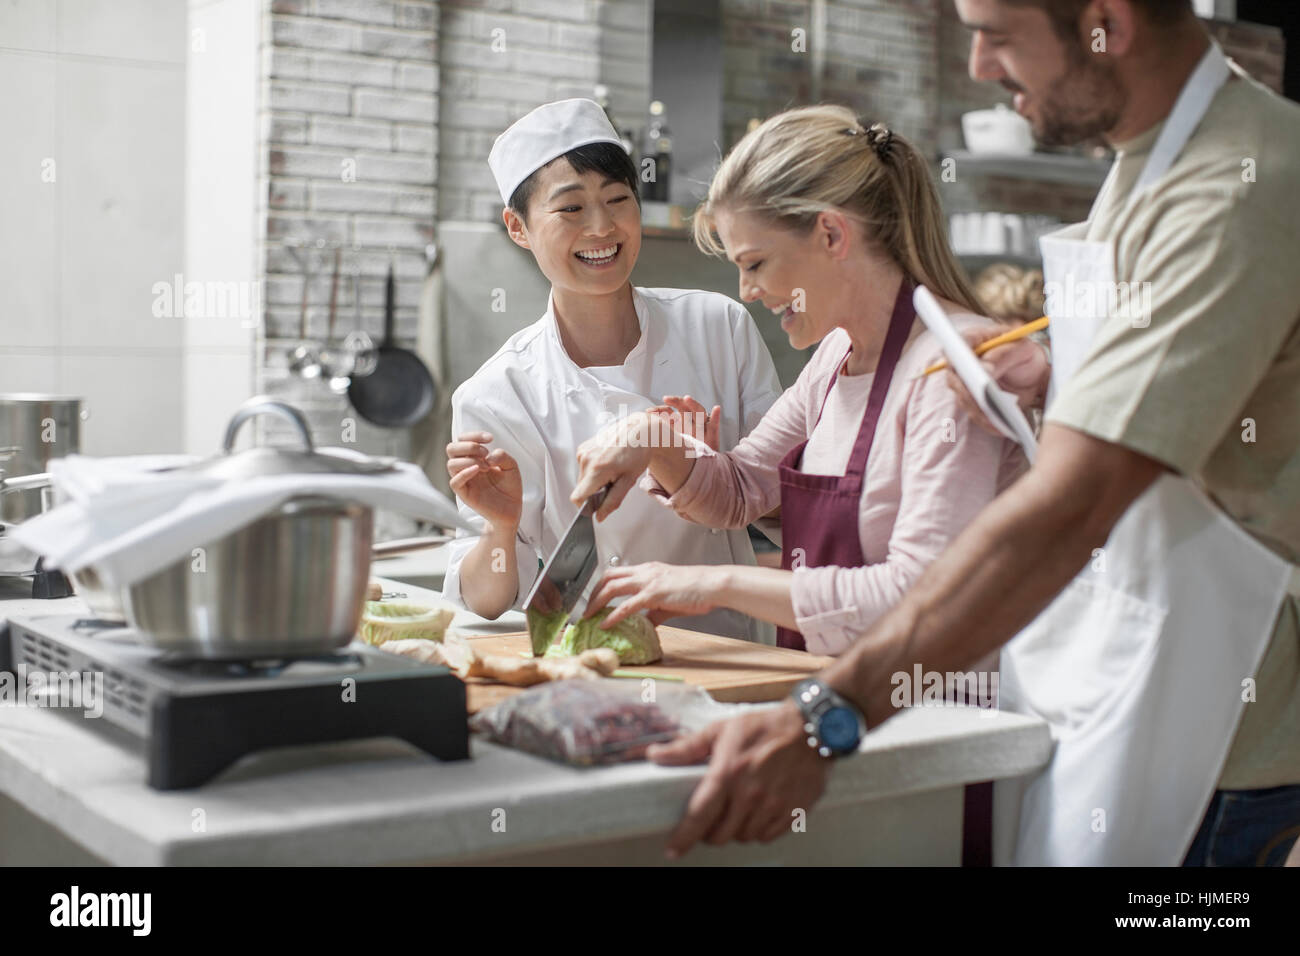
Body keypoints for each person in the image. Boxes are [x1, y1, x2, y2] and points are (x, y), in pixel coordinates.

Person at [631, 0, 1300, 867]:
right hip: (1115, 684)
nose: (979, 64)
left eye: (997, 32)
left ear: (1107, 22)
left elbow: (1073, 505)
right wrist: (1061, 371)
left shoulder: (1233, 185)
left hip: (1219, 730)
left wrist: (827, 716)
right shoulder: (1143, 169)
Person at [571, 104, 1026, 664]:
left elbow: (917, 596)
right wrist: (649, 439)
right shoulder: (837, 355)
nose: (746, 291)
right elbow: (740, 489)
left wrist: (712, 584)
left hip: (933, 713)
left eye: (756, 263)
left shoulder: (950, 371)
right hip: (838, 695)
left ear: (832, 234)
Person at [441, 99, 783, 644]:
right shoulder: (496, 393)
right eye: (570, 209)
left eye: (618, 200)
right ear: (518, 227)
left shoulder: (719, 327)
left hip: (728, 652)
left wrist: (711, 474)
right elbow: (488, 601)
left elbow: (784, 509)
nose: (602, 227)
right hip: (588, 662)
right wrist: (500, 528)